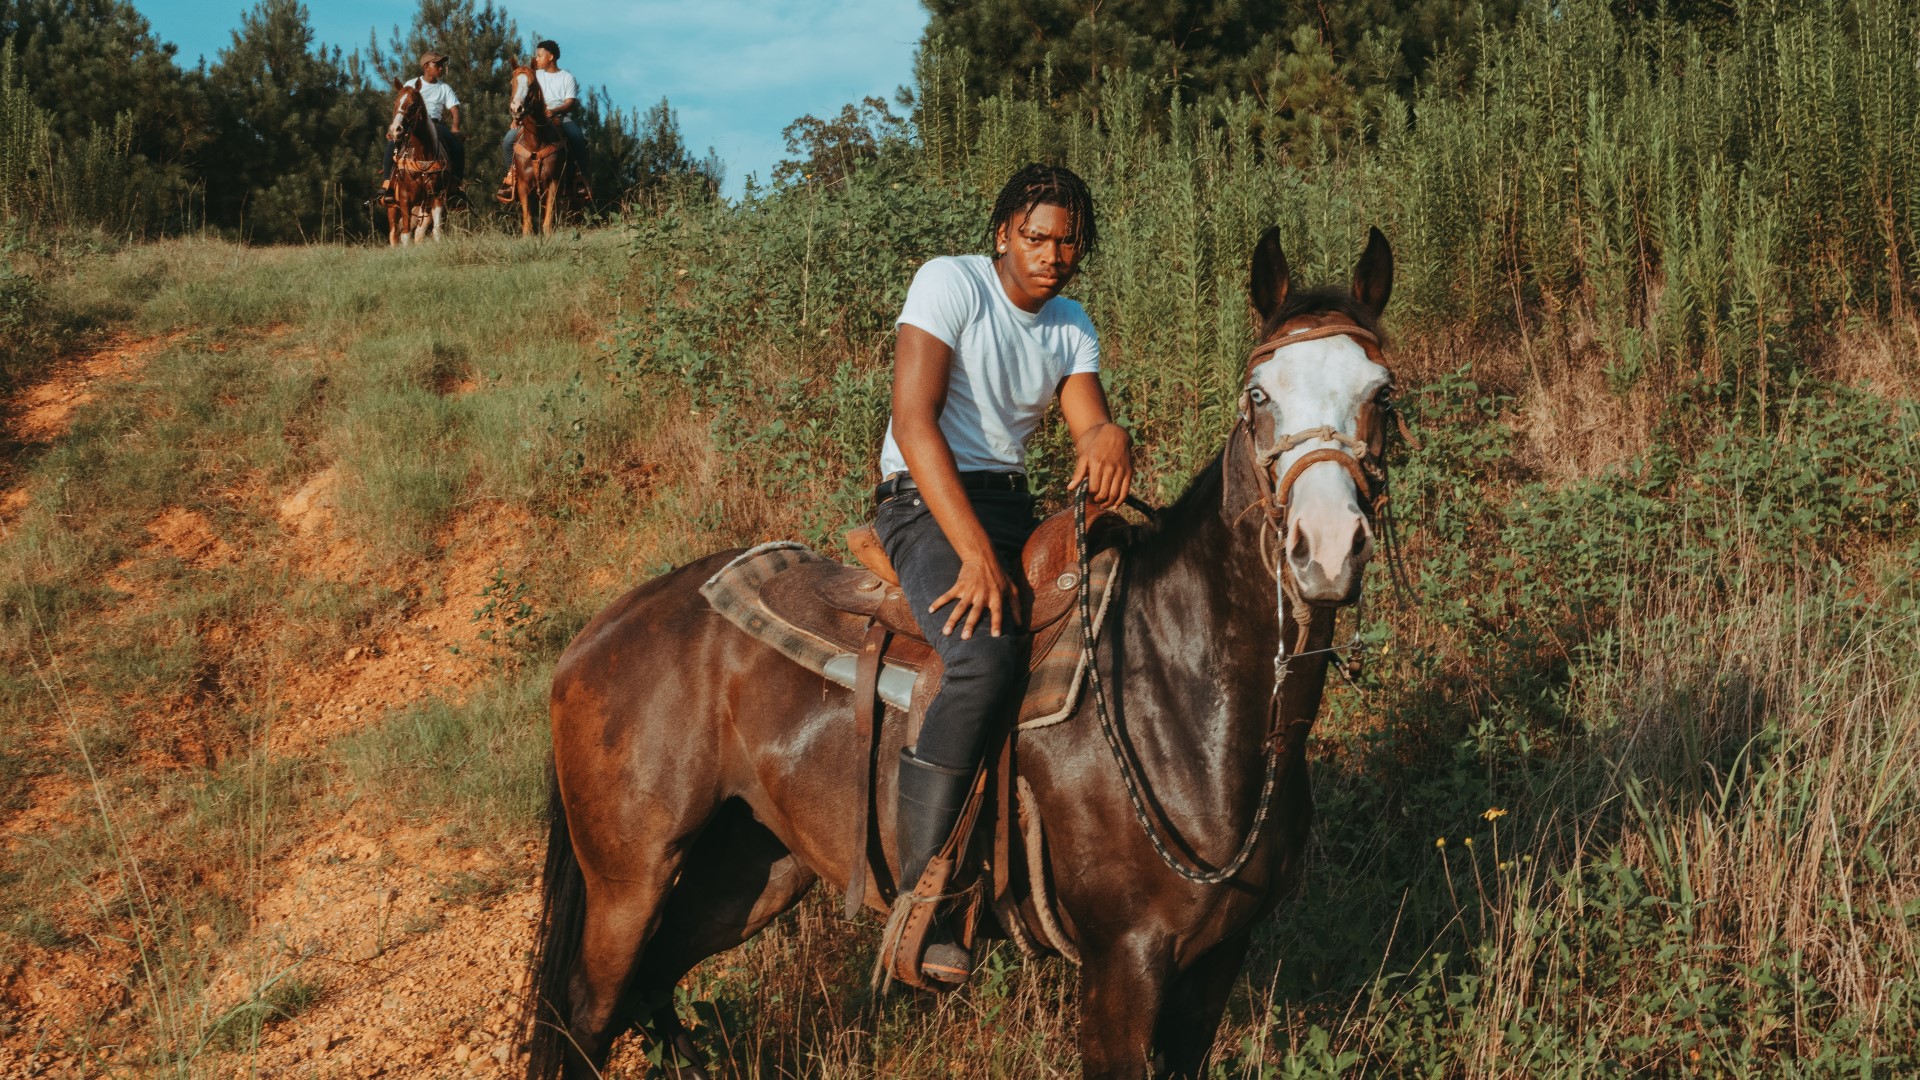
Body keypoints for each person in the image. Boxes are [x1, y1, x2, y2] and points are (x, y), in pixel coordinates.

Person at [874, 163, 1132, 985]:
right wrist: (976, 555)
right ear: (1002, 235)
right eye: (1036, 238)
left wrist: (1106, 438)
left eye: (1067, 243)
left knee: (1122, 617)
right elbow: (914, 423)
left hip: (1012, 506)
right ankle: (926, 901)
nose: (1052, 255)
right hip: (925, 496)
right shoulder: (949, 283)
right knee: (982, 658)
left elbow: (1085, 419)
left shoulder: (1070, 324)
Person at [496, 40, 592, 204]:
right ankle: (511, 177)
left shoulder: (567, 77)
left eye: (540, 55)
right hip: (532, 117)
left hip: (558, 116)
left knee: (577, 138)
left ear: (551, 56)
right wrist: (517, 118)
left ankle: (581, 180)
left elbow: (570, 102)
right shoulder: (535, 76)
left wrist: (555, 110)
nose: (536, 58)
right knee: (508, 140)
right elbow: (522, 95)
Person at [380, 51, 465, 205]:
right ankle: (387, 184)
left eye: (442, 64)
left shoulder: (444, 88)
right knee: (392, 144)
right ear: (426, 66)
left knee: (457, 146)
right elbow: (400, 107)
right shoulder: (411, 84)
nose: (441, 68)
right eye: (437, 64)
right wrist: (393, 127)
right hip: (410, 124)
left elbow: (455, 110)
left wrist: (454, 127)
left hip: (435, 124)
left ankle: (455, 186)